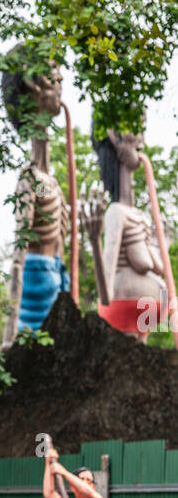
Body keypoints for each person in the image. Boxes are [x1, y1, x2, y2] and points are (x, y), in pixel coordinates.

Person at [0, 48, 74, 345]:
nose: (61, 79)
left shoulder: (47, 182)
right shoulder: (30, 180)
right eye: (53, 73)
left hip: (57, 293)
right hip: (33, 307)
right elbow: (17, 258)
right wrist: (8, 337)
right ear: (33, 82)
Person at [81, 129, 167, 342]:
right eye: (136, 131)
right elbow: (105, 292)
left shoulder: (143, 217)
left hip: (148, 317)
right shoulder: (116, 213)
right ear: (114, 137)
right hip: (123, 314)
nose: (143, 143)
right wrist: (94, 240)